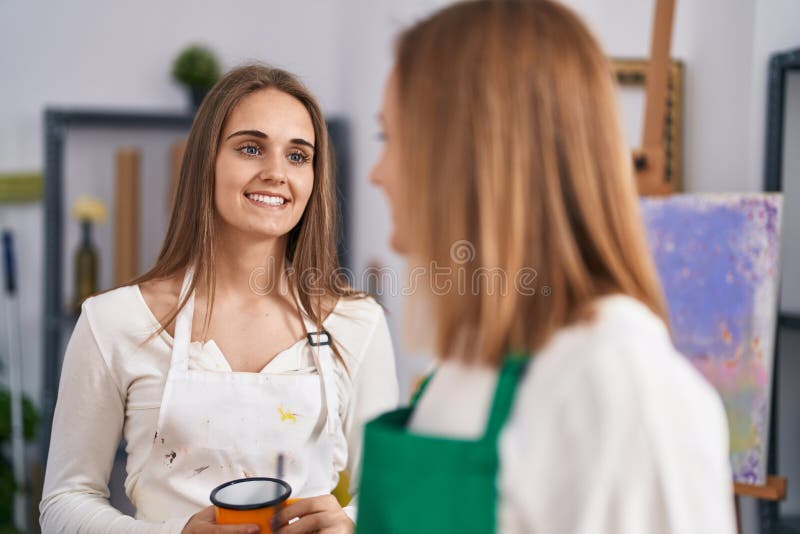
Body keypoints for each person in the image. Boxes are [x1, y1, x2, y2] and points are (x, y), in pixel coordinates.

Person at [352, 1, 736, 533]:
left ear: (470, 155)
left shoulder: (623, 390)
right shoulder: (473, 361)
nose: (377, 173)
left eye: (391, 139)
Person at [40, 64, 398, 533]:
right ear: (205, 160)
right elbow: (64, 502)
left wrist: (350, 525)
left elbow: (391, 497)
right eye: (251, 148)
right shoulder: (113, 322)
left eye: (298, 156)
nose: (275, 173)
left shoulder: (357, 323)